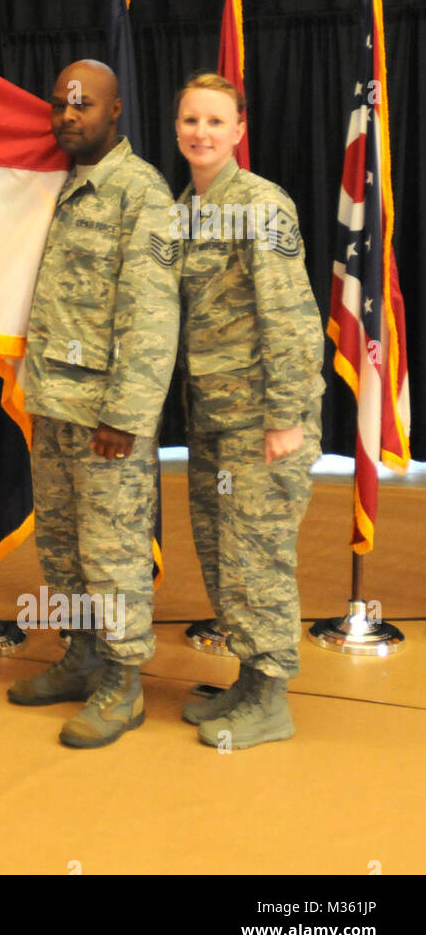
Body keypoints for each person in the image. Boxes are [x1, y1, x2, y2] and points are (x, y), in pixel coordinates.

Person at [10, 60, 181, 748]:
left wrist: (127, 415)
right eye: (59, 105)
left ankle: (123, 682)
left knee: (112, 554)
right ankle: (81, 657)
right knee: (61, 548)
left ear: (115, 111)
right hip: (52, 404)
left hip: (106, 417)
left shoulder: (141, 192)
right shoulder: (60, 186)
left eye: (82, 105)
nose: (66, 116)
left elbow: (152, 314)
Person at [173, 72, 324, 749]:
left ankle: (272, 700)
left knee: (258, 558)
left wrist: (287, 418)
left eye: (214, 121)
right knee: (224, 555)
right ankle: (247, 679)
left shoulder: (262, 205)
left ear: (239, 131)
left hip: (265, 422)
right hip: (213, 418)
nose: (200, 133)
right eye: (189, 121)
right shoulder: (185, 207)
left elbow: (291, 316)